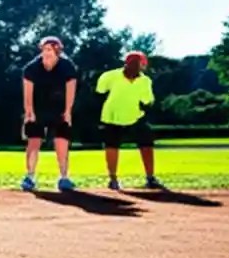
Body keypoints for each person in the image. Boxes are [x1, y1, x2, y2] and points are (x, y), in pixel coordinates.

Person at [95, 51, 165, 191]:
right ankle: (113, 179)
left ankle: (150, 178)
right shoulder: (110, 76)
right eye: (132, 63)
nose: (135, 66)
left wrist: (147, 106)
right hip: (112, 117)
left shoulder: (145, 81)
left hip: (134, 116)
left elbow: (148, 101)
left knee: (147, 144)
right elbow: (99, 92)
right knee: (111, 146)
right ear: (126, 64)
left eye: (138, 63)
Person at [20, 36, 78, 192]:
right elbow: (27, 92)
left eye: (50, 50)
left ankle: (64, 177)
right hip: (38, 107)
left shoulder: (67, 67)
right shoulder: (31, 68)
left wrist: (68, 111)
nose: (47, 53)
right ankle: (30, 177)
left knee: (62, 141)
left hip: (58, 107)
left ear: (58, 51)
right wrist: (29, 112)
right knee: (34, 141)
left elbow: (70, 90)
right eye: (44, 49)